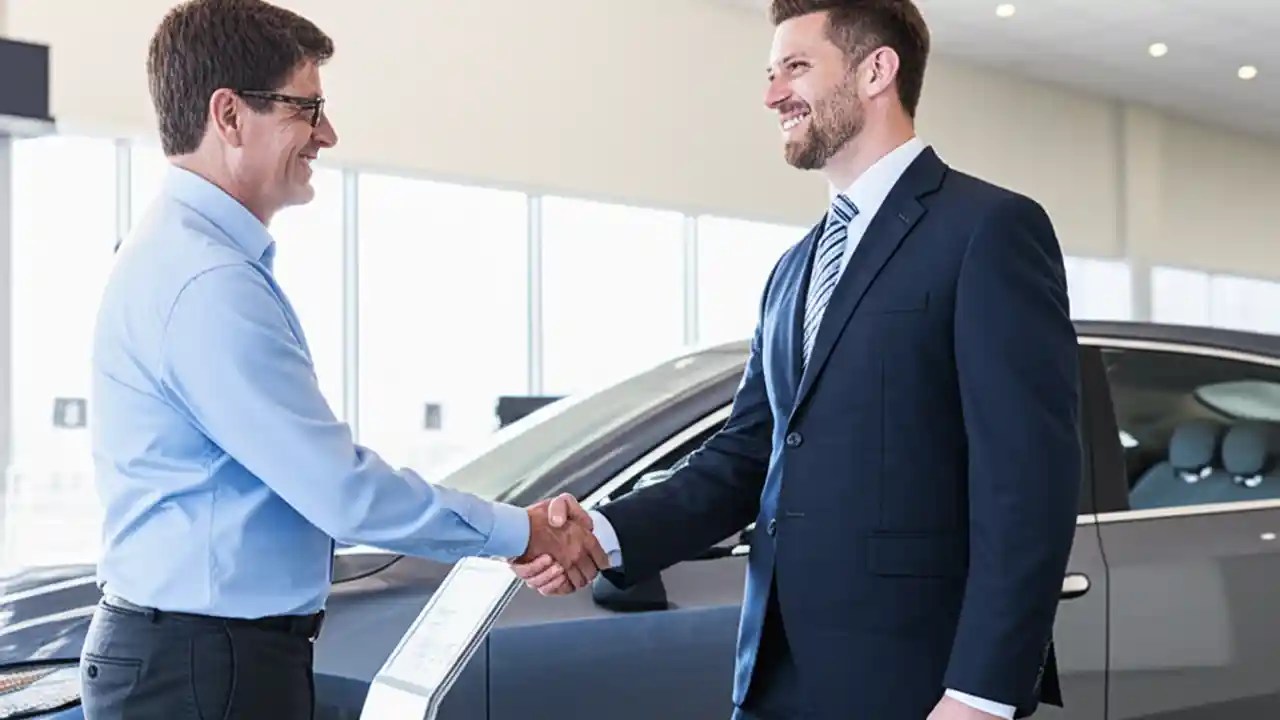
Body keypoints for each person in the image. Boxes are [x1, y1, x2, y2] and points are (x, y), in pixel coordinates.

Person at [513, 1, 1081, 718]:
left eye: (796, 67)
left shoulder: (989, 230)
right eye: (770, 72)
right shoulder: (793, 268)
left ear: (877, 70)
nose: (772, 93)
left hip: (919, 682)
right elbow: (745, 458)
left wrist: (982, 693)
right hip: (777, 675)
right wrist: (602, 533)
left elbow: (1028, 484)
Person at [82, 1, 605, 718]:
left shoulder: (181, 257)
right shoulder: (207, 283)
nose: (327, 133)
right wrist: (520, 530)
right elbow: (341, 492)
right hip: (207, 669)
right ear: (229, 116)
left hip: (199, 658)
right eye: (308, 108)